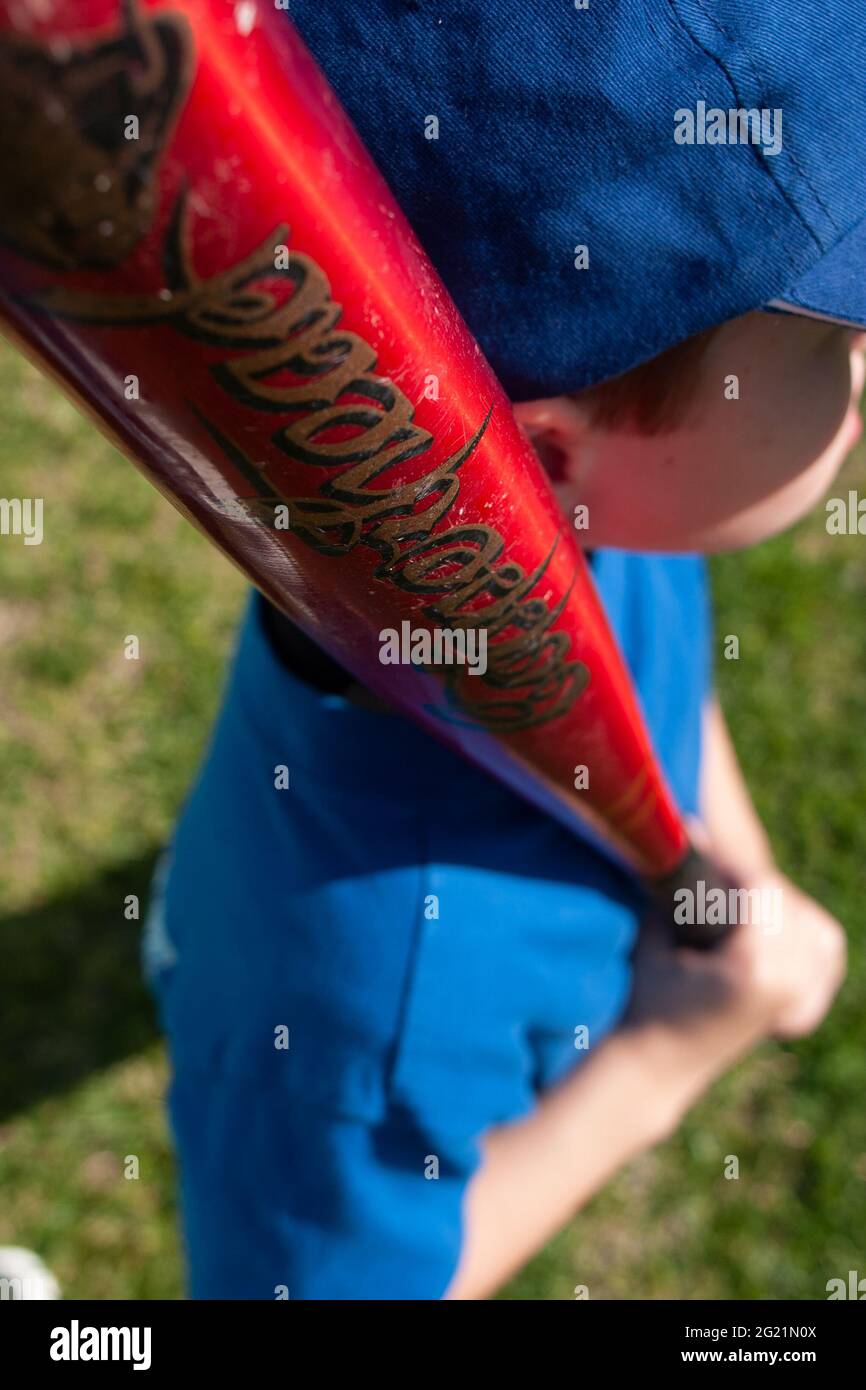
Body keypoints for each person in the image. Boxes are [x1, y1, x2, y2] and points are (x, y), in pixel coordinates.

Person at [143, 1, 865, 1298]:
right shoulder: (374, 1000)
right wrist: (666, 1056)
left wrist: (730, 873)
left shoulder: (593, 515)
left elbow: (661, 690)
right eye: (827, 344)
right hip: (347, 1026)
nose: (860, 373)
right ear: (537, 455)